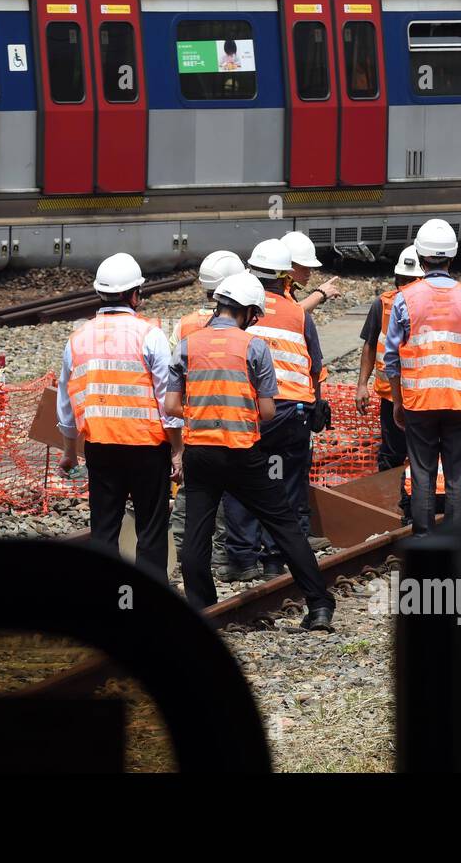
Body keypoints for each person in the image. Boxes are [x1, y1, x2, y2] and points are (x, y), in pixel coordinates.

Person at [165, 272, 335, 631]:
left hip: (199, 452)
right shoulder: (253, 347)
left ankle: (204, 608)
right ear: (246, 312)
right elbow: (269, 411)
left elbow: (171, 405)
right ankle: (319, 606)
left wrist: (202, 414)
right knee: (285, 526)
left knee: (197, 531)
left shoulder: (187, 345)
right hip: (242, 451)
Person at [57, 253, 182, 575]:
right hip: (147, 447)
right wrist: (178, 449)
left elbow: (67, 403)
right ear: (135, 294)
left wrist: (70, 451)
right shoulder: (150, 335)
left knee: (104, 524)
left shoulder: (78, 338)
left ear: (100, 294)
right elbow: (165, 399)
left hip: (100, 446)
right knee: (151, 527)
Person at [383, 218, 461, 537]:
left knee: (422, 474)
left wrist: (398, 402)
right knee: (458, 475)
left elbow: (392, 359)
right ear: (452, 256)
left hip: (419, 402)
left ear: (419, 256)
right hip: (460, 401)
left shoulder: (404, 298)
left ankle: (423, 539)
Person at [222, 238, 324, 578]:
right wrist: (318, 404)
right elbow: (314, 367)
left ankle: (241, 558)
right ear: (286, 279)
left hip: (247, 411)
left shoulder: (239, 310)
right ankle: (275, 560)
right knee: (285, 485)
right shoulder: (298, 313)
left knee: (240, 481)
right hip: (291, 411)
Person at [169, 250, 246, 569]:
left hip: (193, 421)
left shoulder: (185, 325)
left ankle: (178, 551)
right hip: (232, 424)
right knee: (230, 489)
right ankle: (220, 553)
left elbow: (171, 378)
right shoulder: (240, 325)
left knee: (193, 488)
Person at [355, 245, 424, 471]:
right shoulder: (382, 305)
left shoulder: (430, 308)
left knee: (423, 454)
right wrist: (362, 385)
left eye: (411, 281)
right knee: (393, 454)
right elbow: (370, 345)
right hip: (391, 397)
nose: (405, 286)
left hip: (424, 396)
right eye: (402, 280)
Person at [278, 232, 343, 314]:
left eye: (309, 268)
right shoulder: (274, 290)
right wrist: (319, 294)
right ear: (286, 266)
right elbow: (290, 314)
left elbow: (303, 314)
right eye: (303, 268)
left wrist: (318, 298)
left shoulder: (283, 288)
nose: (308, 273)